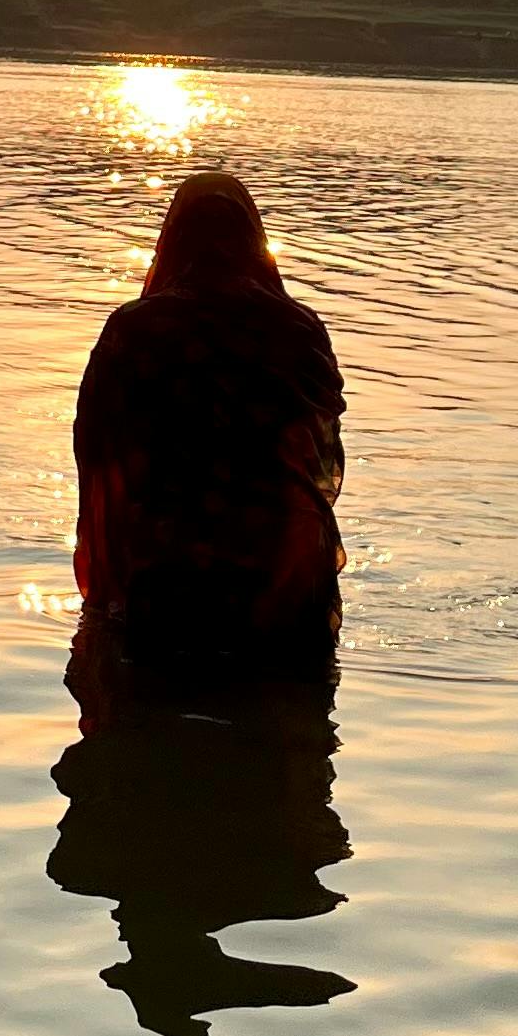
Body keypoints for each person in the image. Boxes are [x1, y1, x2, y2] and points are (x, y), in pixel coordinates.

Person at [72, 169, 345, 674]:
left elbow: (98, 451)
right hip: (283, 580)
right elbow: (322, 457)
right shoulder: (298, 328)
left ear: (171, 241)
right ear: (255, 240)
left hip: (167, 573)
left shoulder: (137, 328)